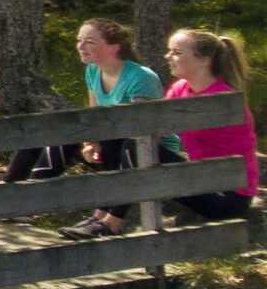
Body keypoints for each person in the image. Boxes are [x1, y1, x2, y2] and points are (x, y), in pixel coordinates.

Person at [52, 19, 174, 239]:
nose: (81, 47)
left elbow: (147, 127)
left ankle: (111, 222)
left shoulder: (141, 77)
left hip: (153, 145)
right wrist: (91, 143)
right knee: (88, 134)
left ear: (115, 47)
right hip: (119, 140)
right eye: (79, 41)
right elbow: (95, 115)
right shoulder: (92, 71)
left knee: (122, 140)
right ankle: (99, 217)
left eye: (89, 42)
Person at [161, 29, 255, 225]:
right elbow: (156, 130)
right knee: (125, 144)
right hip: (204, 181)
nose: (167, 56)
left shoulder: (223, 101)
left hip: (228, 196)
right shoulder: (181, 88)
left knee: (131, 146)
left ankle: (111, 223)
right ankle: (106, 219)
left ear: (204, 60)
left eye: (177, 52)